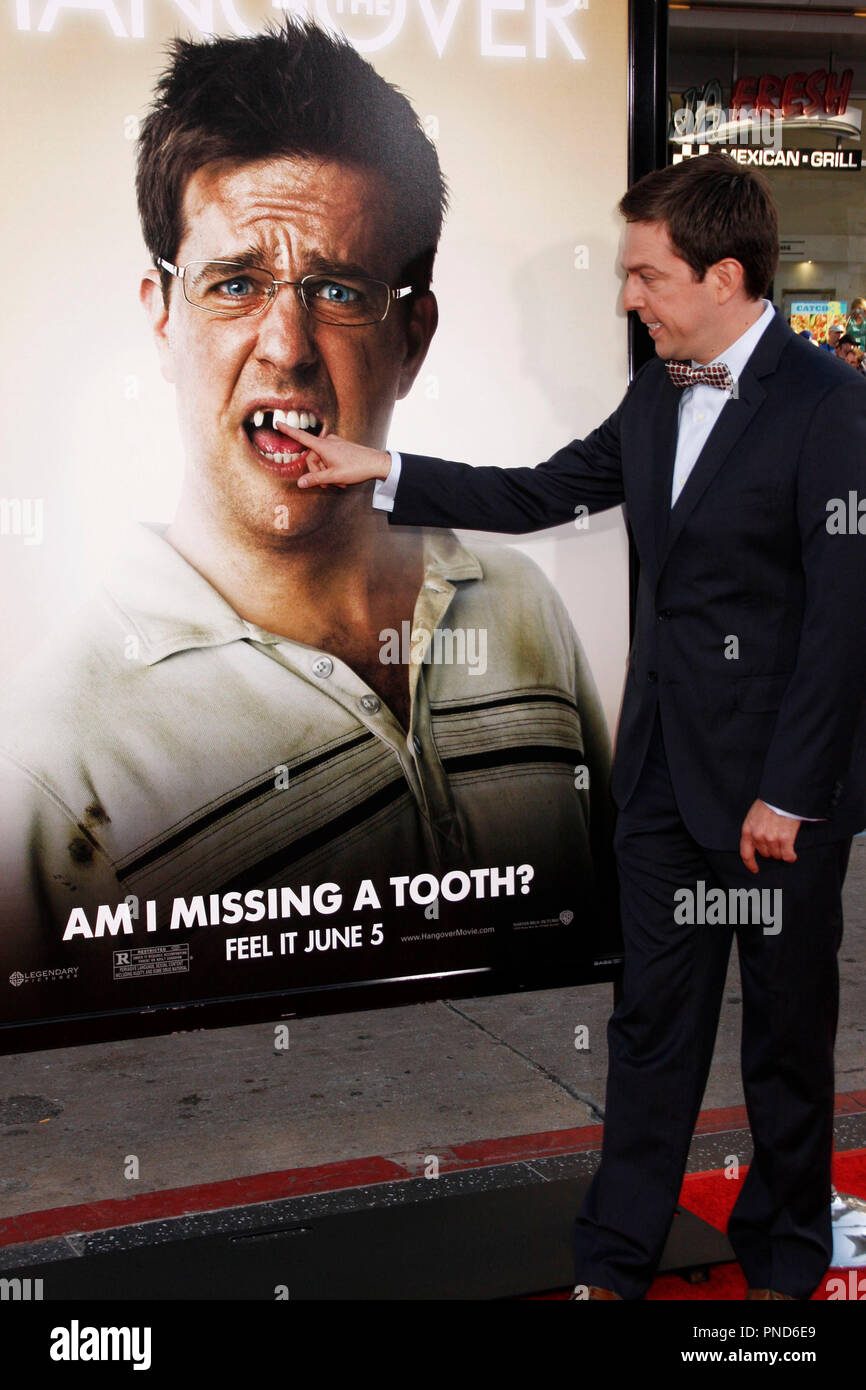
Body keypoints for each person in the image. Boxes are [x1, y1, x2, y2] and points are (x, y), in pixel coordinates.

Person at [289, 152, 866, 1300]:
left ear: (723, 273)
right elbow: (541, 490)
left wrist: (791, 795)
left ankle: (788, 1263)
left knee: (784, 1048)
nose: (626, 298)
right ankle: (612, 1263)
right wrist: (381, 466)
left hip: (772, 806)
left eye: (646, 276)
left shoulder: (830, 409)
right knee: (648, 1029)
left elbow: (843, 625)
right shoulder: (660, 389)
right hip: (656, 783)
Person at [0, 23, 613, 1006]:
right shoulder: (52, 753)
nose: (284, 346)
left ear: (412, 336)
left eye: (335, 288)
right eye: (234, 284)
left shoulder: (521, 607)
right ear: (162, 315)